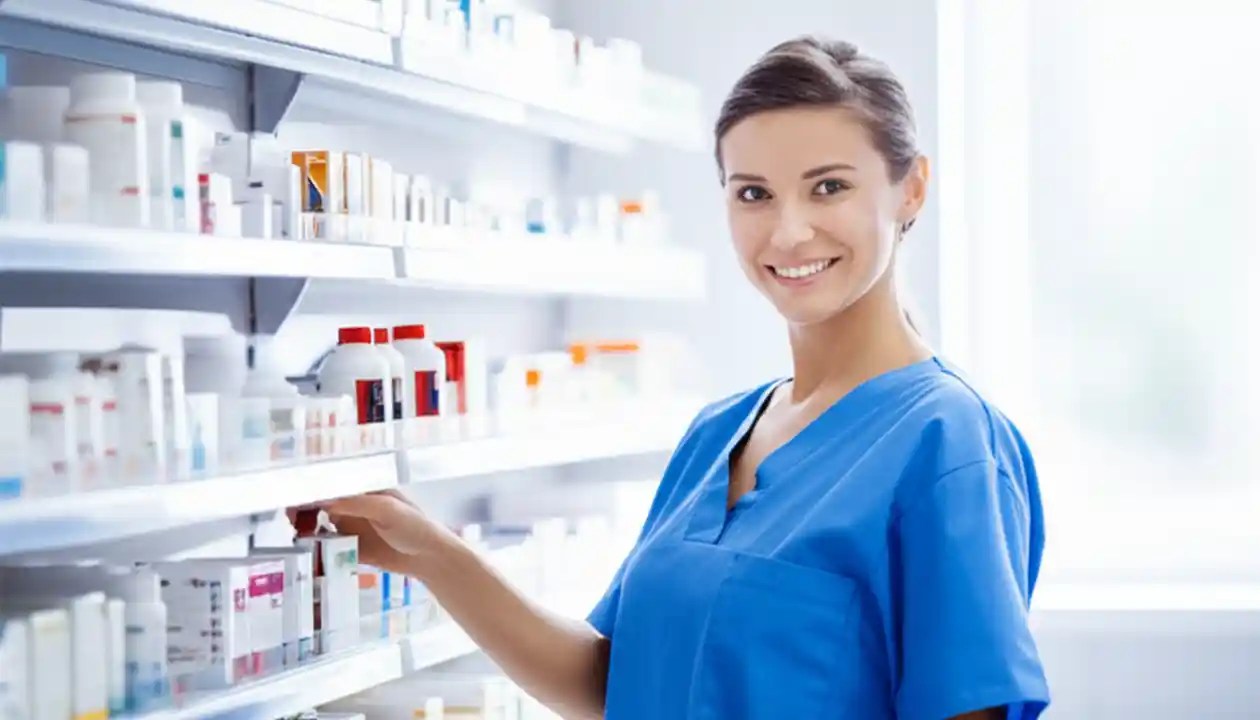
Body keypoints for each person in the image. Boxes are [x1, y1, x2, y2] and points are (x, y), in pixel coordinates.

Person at [310, 36, 1049, 720]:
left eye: (828, 188)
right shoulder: (718, 434)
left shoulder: (947, 443)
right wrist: (437, 557)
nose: (789, 231)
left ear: (910, 189)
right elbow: (611, 682)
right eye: (753, 193)